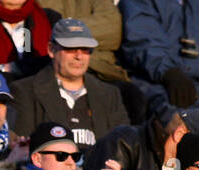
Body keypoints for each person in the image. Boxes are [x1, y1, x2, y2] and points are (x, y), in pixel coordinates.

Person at [119, 0, 199, 160]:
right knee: (174, 119)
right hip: (153, 81)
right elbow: (142, 41)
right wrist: (169, 73)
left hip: (195, 84)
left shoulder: (198, 5)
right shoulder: (140, 3)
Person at [11, 18, 131, 151]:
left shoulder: (109, 94)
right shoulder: (25, 91)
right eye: (71, 48)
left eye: (85, 49)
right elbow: (22, 148)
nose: (79, 56)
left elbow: (122, 146)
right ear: (51, 50)